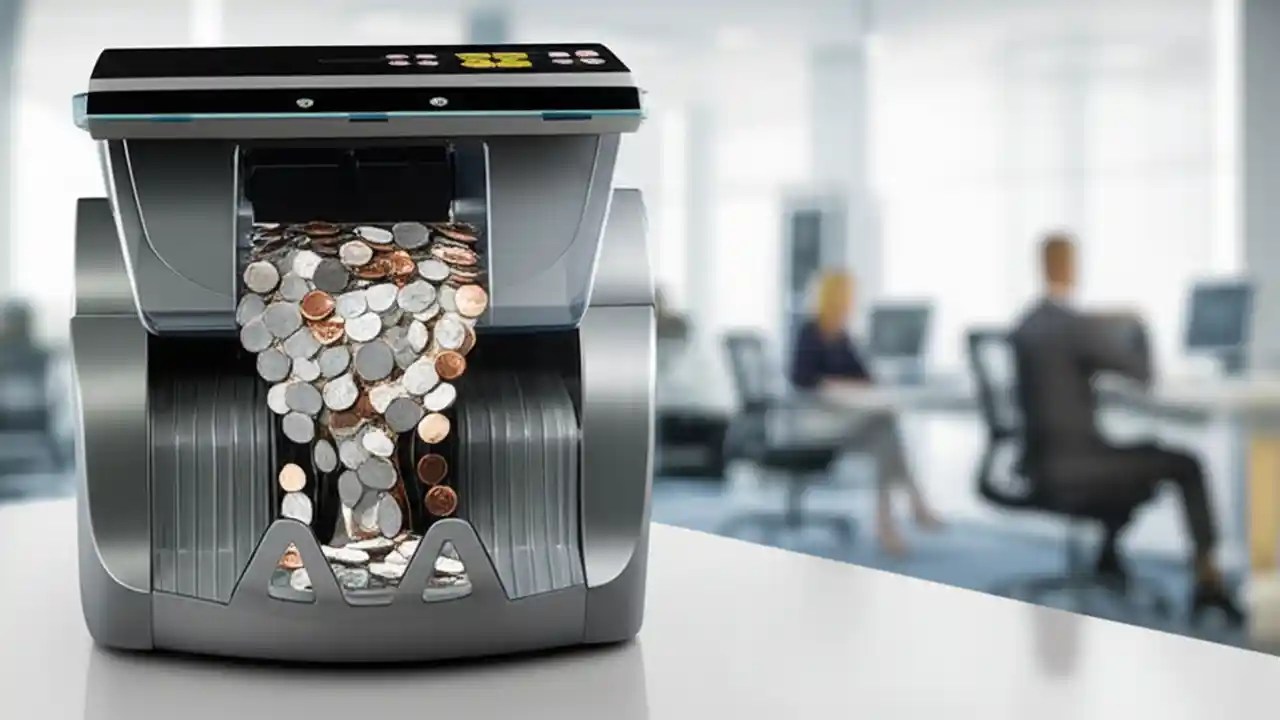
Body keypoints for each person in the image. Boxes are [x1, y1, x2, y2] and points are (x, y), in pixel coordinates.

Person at [1010, 233, 1242, 623]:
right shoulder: (1074, 326)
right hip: (1079, 466)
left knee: (1141, 457)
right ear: (1070, 267)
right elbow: (1143, 374)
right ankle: (1208, 580)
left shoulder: (1025, 324)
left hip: (1037, 466)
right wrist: (1136, 322)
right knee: (1184, 463)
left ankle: (1107, 559)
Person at [790, 271, 942, 556]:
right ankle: (909, 506)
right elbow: (801, 379)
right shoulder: (810, 331)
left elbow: (865, 377)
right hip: (814, 422)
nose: (851, 302)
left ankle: (888, 518)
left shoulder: (843, 336)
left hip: (846, 421)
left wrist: (867, 385)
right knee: (885, 428)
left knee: (884, 431)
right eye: (847, 296)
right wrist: (838, 384)